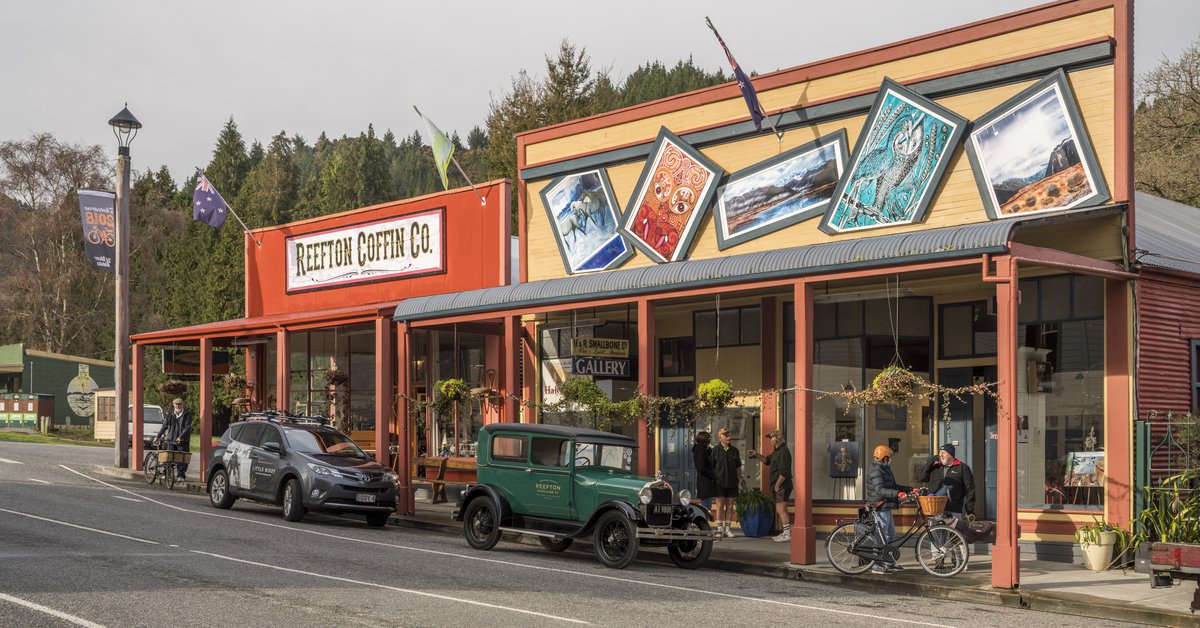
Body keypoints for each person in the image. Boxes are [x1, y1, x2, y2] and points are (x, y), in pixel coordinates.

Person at [865, 444, 912, 574]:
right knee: (882, 536)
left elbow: (893, 485)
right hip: (880, 506)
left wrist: (909, 489)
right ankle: (877, 564)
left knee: (890, 534)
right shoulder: (876, 470)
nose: (891, 460)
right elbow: (880, 490)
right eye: (889, 457)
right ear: (884, 458)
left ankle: (889, 562)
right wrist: (897, 494)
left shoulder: (884, 468)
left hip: (886, 506)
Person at [748, 429, 792, 543]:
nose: (770, 440)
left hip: (782, 486)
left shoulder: (783, 452)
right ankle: (785, 533)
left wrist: (777, 485)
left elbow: (784, 472)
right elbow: (767, 460)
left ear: (776, 439)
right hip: (777, 486)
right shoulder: (776, 451)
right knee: (780, 509)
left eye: (771, 438)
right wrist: (756, 454)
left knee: (781, 509)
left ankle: (787, 534)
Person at [919, 443, 976, 521]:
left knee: (954, 532)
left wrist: (969, 510)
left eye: (944, 453)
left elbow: (970, 490)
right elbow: (922, 478)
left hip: (954, 509)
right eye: (940, 453)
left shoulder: (962, 468)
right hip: (936, 509)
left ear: (951, 454)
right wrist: (930, 461)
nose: (940, 455)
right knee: (935, 532)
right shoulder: (935, 468)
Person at [712, 427, 742, 538]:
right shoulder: (715, 450)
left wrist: (739, 479)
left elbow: (738, 467)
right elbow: (711, 467)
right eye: (726, 435)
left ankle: (728, 529)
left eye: (729, 435)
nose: (729, 437)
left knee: (730, 506)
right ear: (720, 437)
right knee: (719, 506)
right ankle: (720, 529)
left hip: (732, 482)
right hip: (719, 483)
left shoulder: (735, 450)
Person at [156, 398, 194, 481]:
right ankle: (167, 474)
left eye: (179, 404)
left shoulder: (187, 415)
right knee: (168, 459)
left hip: (183, 441)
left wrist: (181, 437)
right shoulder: (170, 414)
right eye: (176, 404)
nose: (178, 406)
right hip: (171, 439)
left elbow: (187, 427)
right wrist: (158, 436)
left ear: (182, 405)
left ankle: (181, 476)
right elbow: (164, 426)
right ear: (174, 405)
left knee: (182, 460)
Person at [691, 431, 717, 511]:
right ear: (704, 438)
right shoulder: (700, 449)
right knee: (706, 507)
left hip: (707, 481)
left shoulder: (705, 449)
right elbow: (701, 467)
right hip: (705, 481)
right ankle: (705, 522)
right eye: (708, 437)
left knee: (708, 506)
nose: (710, 439)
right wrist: (713, 475)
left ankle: (706, 521)